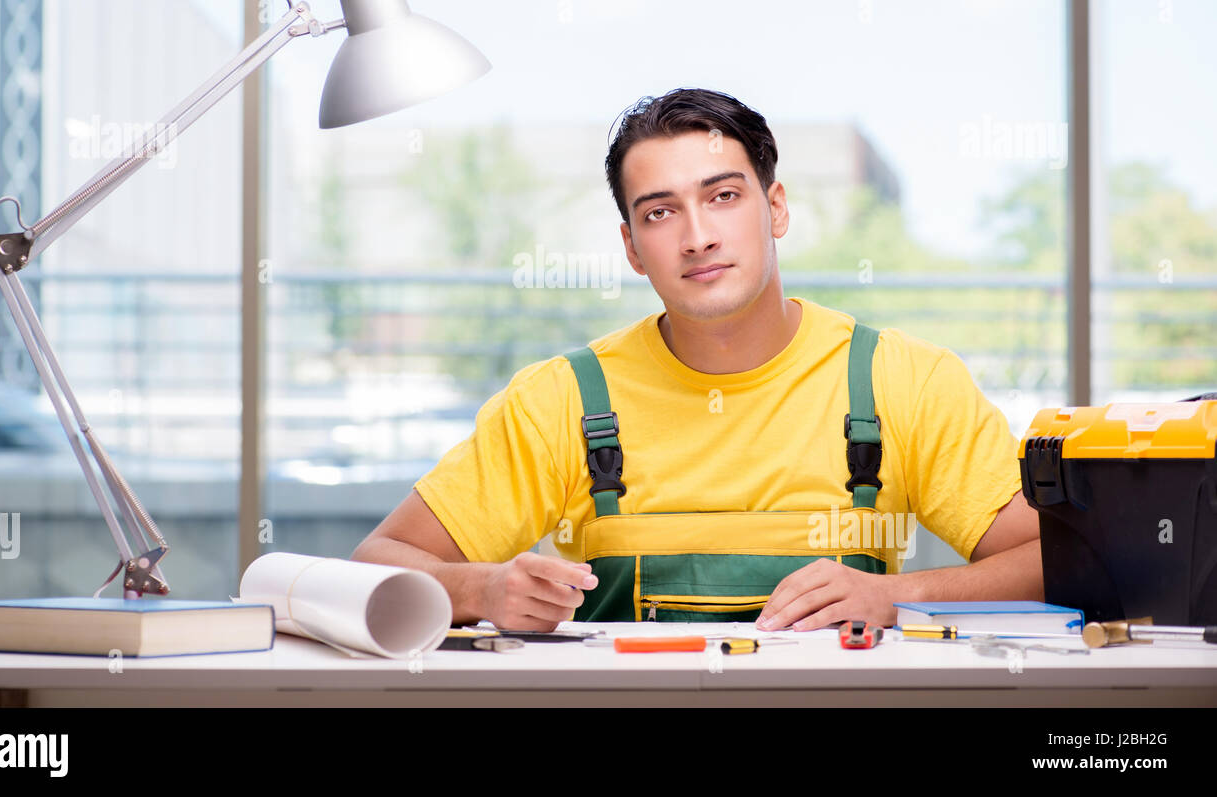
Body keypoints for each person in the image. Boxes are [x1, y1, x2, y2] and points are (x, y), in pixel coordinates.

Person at [352, 88, 1042, 631]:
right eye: (660, 213)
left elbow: (1055, 560)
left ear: (775, 208)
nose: (698, 236)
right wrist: (482, 586)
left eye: (724, 196)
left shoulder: (901, 382)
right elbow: (375, 566)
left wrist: (898, 596)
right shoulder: (561, 400)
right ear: (630, 247)